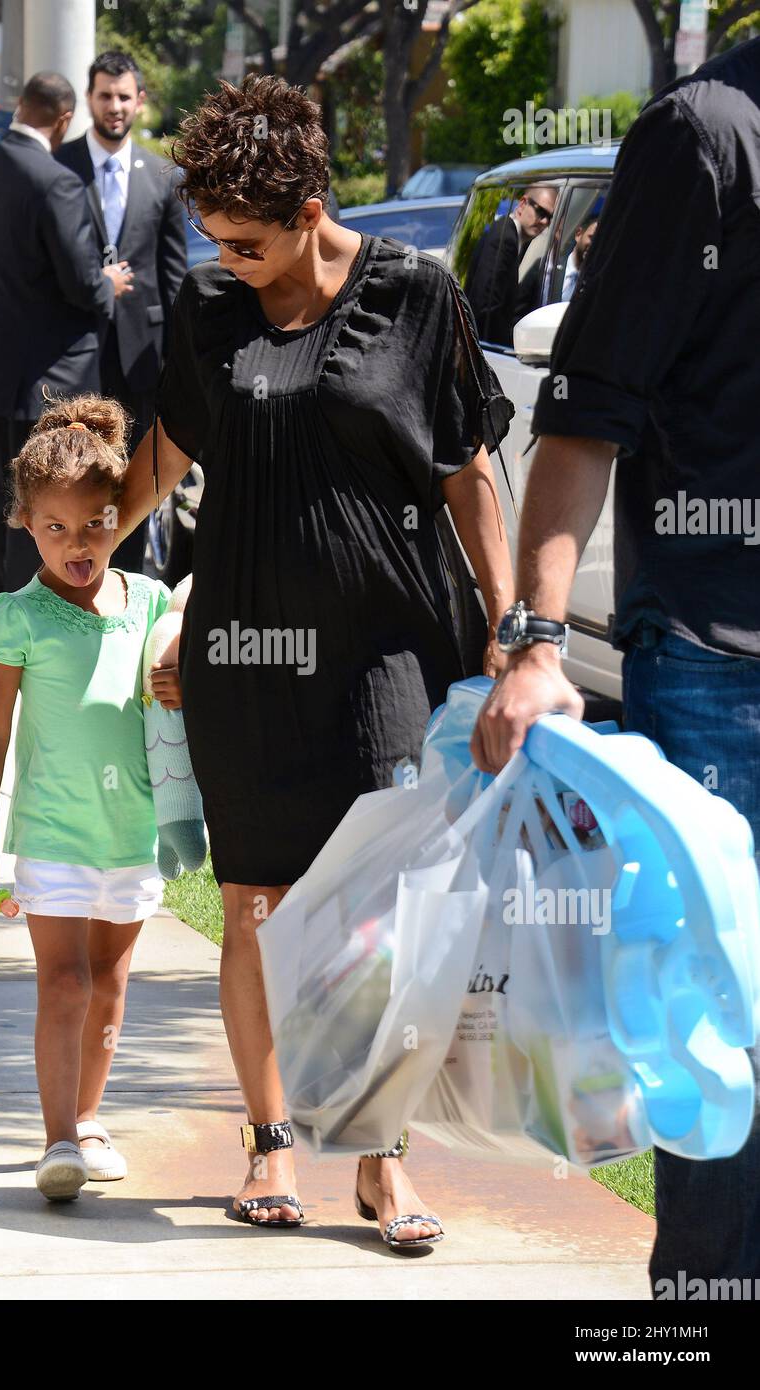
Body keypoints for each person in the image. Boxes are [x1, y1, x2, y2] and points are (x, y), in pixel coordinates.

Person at [112, 74, 515, 1249]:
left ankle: (383, 1157)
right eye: (212, 239)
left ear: (312, 206)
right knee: (254, 900)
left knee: (389, 910)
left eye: (247, 240)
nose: (227, 259)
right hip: (241, 645)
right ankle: (271, 1138)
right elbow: (168, 454)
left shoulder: (414, 296)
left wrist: (510, 621)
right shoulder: (208, 306)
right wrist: (92, 563)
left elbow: (466, 473)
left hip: (388, 643)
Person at [470, 37, 760, 1295]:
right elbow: (585, 411)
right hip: (719, 661)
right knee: (724, 1043)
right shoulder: (702, 138)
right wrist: (535, 639)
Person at [0, 395, 173, 1202]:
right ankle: (57, 1137)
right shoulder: (19, 620)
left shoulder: (148, 604)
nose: (77, 545)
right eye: (55, 528)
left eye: (94, 525)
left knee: (111, 982)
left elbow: (174, 691)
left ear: (122, 515)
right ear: (23, 522)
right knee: (65, 983)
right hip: (52, 831)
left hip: (134, 830)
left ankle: (89, 1117)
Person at [0, 71, 134, 611]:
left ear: (19, 107)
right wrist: (109, 285)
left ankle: (2, 621)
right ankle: (40, 620)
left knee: (6, 505)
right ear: (63, 119)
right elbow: (81, 284)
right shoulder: (56, 182)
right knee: (52, 506)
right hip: (52, 382)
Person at [56, 50, 188, 571]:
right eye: (105, 95)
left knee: (131, 479)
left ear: (140, 102)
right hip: (71, 350)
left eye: (124, 96)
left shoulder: (162, 175)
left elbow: (175, 274)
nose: (115, 106)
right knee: (70, 475)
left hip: (141, 357)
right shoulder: (58, 166)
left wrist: (180, 354)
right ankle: (65, 586)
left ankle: (126, 584)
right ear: (89, 98)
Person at [465, 184, 557, 346]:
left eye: (550, 218)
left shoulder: (511, 237)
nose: (544, 222)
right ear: (522, 204)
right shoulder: (505, 238)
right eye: (540, 212)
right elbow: (485, 306)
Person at [561, 214, 597, 300]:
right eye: (592, 238)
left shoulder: (594, 280)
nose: (595, 245)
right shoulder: (550, 267)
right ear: (578, 234)